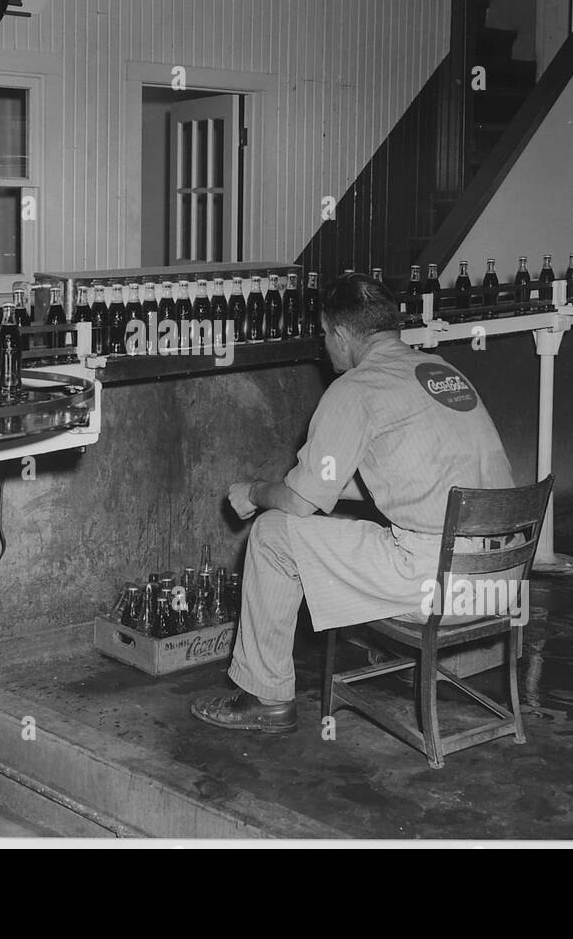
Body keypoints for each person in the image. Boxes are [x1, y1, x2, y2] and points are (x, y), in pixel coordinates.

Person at [191, 272, 515, 733]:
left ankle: (266, 699)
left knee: (272, 535)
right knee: (338, 521)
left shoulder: (355, 389)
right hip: (501, 580)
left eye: (325, 334)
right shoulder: (440, 372)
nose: (325, 345)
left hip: (436, 584)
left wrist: (256, 492)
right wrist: (312, 487)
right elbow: (417, 478)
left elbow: (299, 506)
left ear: (342, 334)